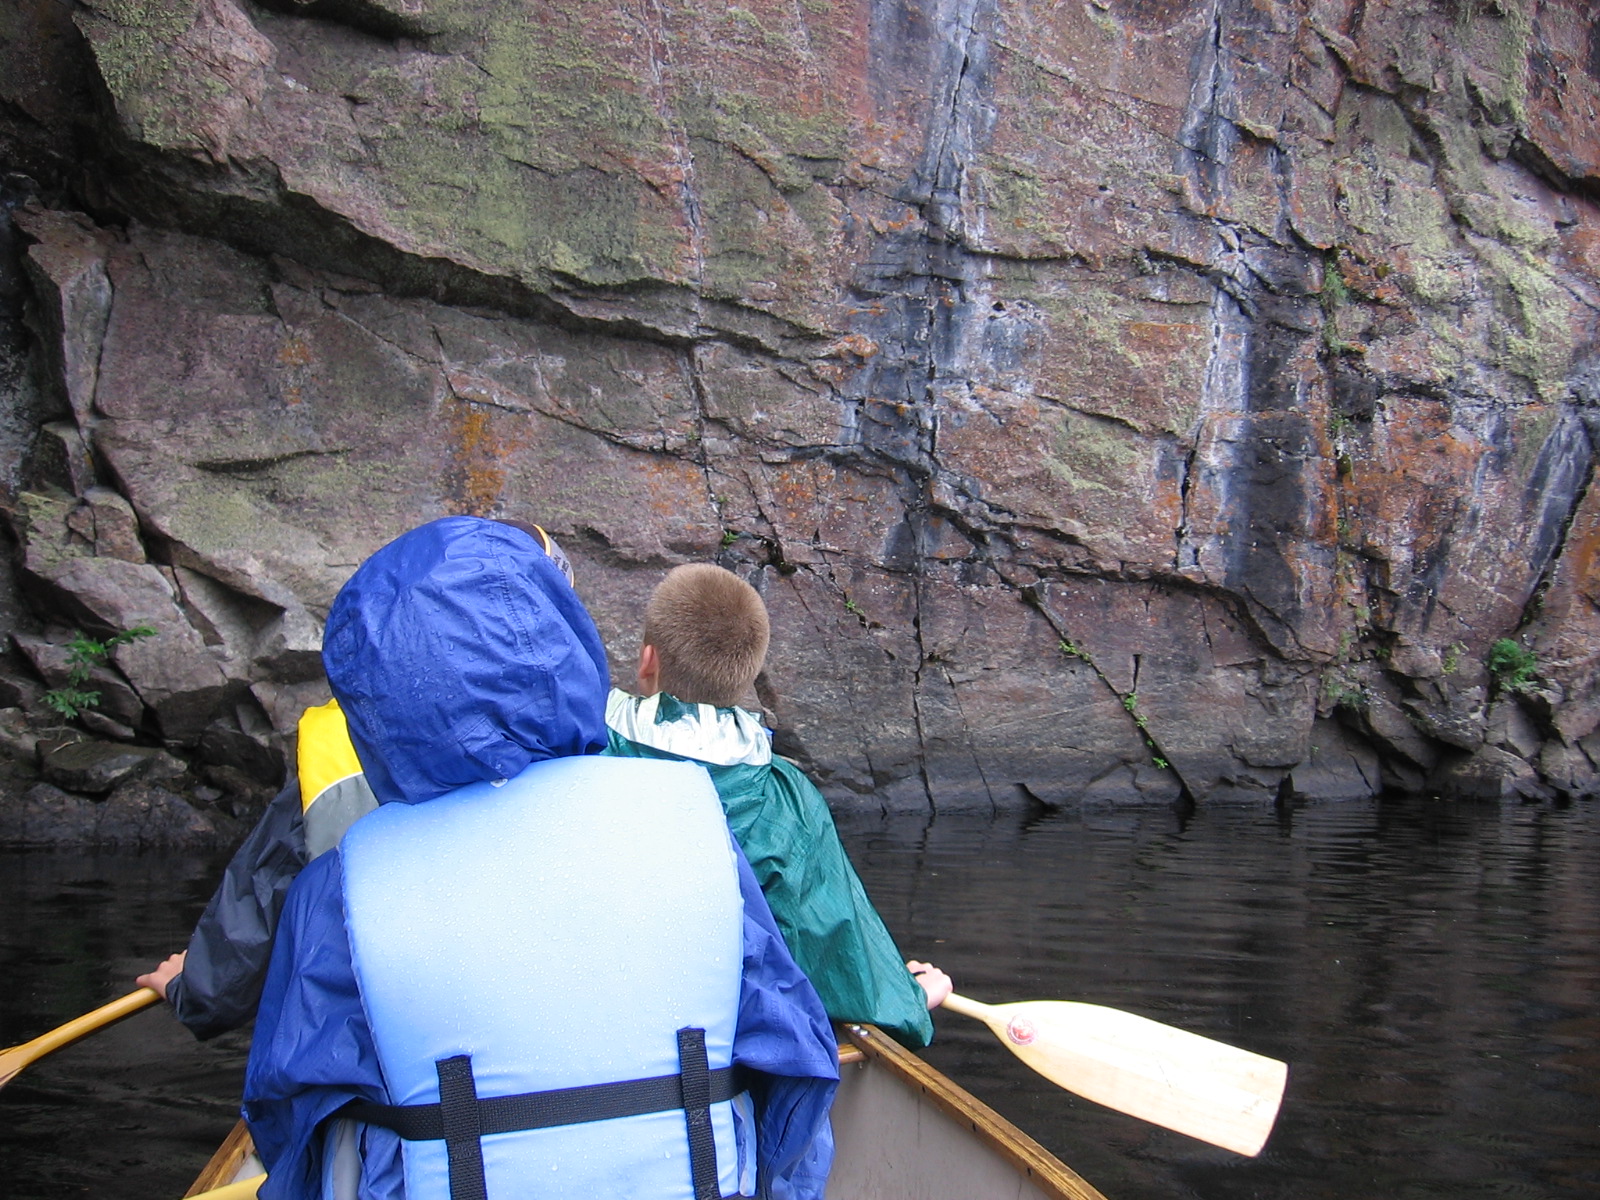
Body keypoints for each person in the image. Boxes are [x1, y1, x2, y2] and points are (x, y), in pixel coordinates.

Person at [242, 516, 838, 1200]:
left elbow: (290, 1124)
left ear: (373, 701)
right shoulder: (694, 832)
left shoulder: (339, 890)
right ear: (566, 643)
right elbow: (796, 1074)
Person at [136, 524, 569, 1040]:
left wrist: (194, 987)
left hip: (391, 1060)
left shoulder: (339, 754)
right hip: (554, 1038)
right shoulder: (600, 749)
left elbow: (246, 938)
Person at [605, 563, 952, 1048]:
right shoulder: (783, 797)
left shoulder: (577, 753)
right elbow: (842, 960)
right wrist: (913, 999)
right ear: (744, 679)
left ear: (647, 661)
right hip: (707, 1050)